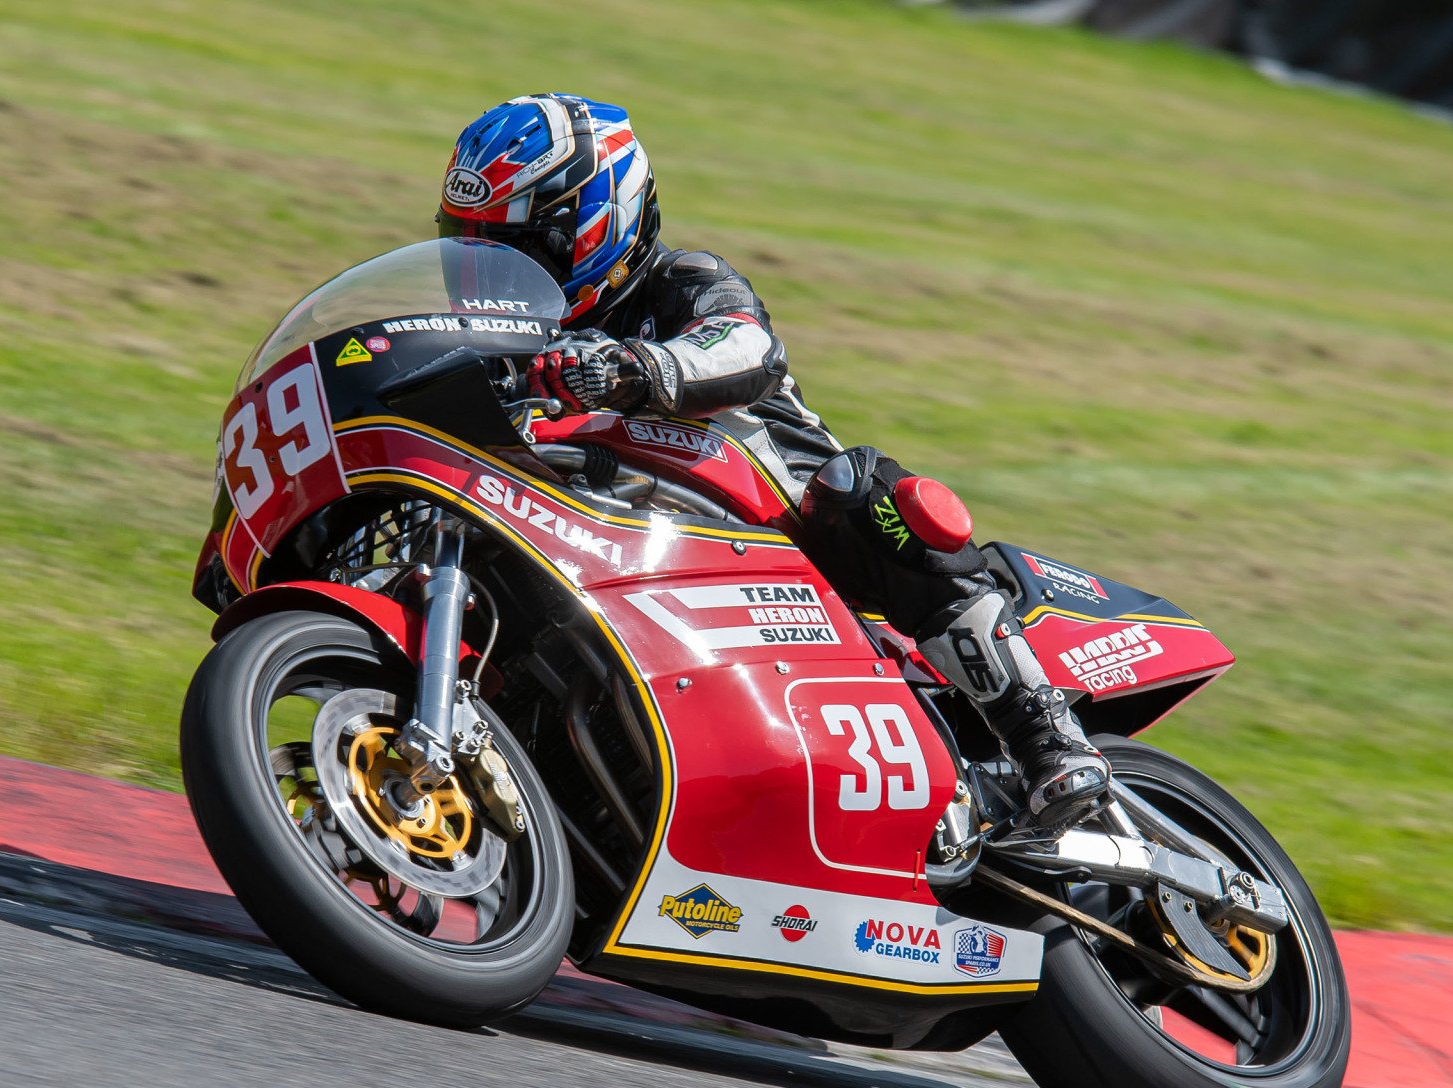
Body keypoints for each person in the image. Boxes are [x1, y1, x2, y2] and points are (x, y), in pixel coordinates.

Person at [435, 94, 1109, 833]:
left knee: (872, 495)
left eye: (514, 247)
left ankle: (1043, 735)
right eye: (468, 245)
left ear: (599, 221)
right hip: (613, 562)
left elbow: (746, 348)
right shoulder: (496, 348)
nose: (487, 270)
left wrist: (635, 368)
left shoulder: (685, 282)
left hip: (787, 537)